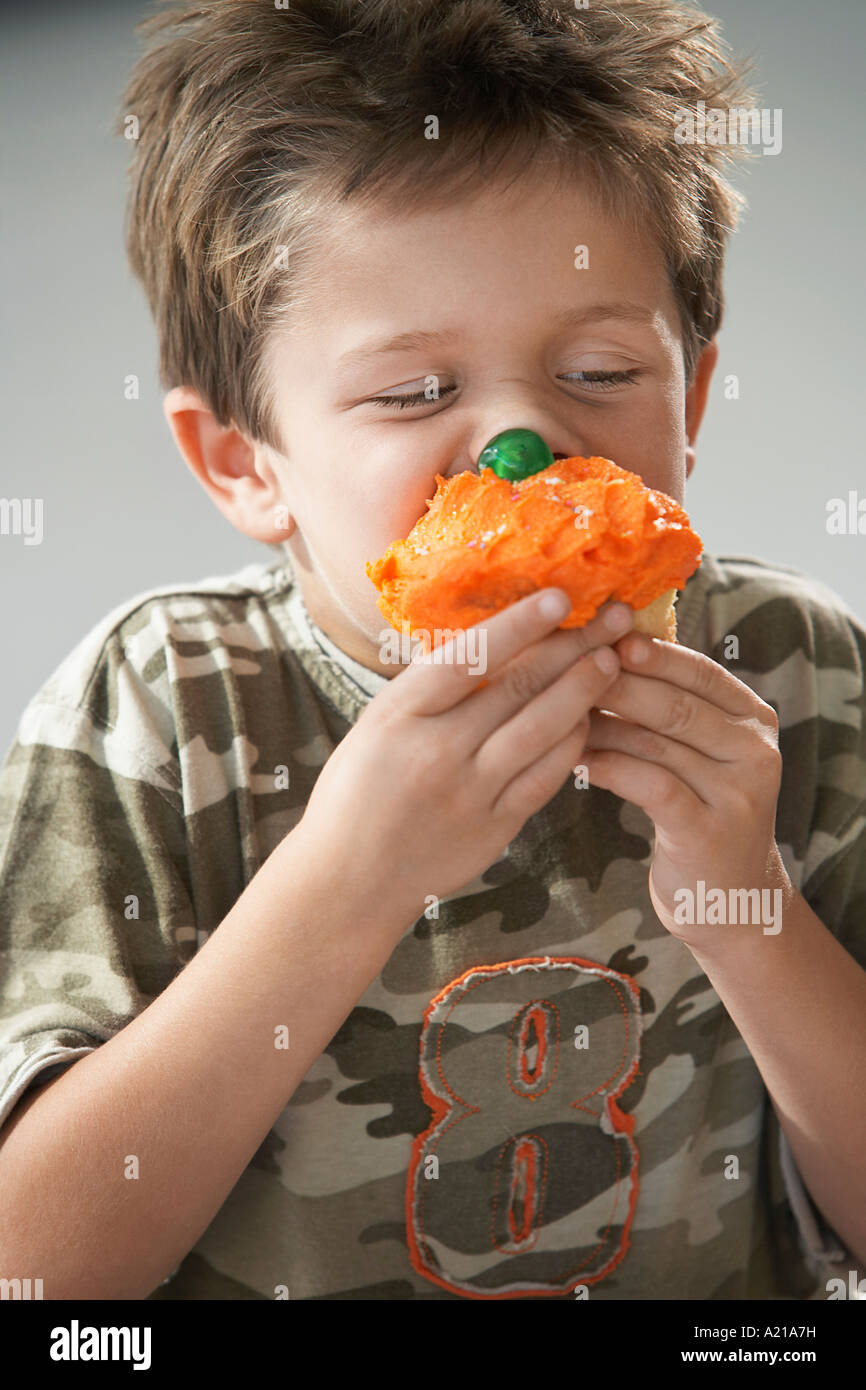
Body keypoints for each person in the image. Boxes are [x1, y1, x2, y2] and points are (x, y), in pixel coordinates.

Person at [0, 0, 863, 1301]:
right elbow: (36, 1275)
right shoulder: (160, 710)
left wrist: (743, 912)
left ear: (688, 398)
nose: (522, 440)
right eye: (413, 391)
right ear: (244, 462)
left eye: (596, 370)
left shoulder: (798, 675)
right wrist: (348, 877)